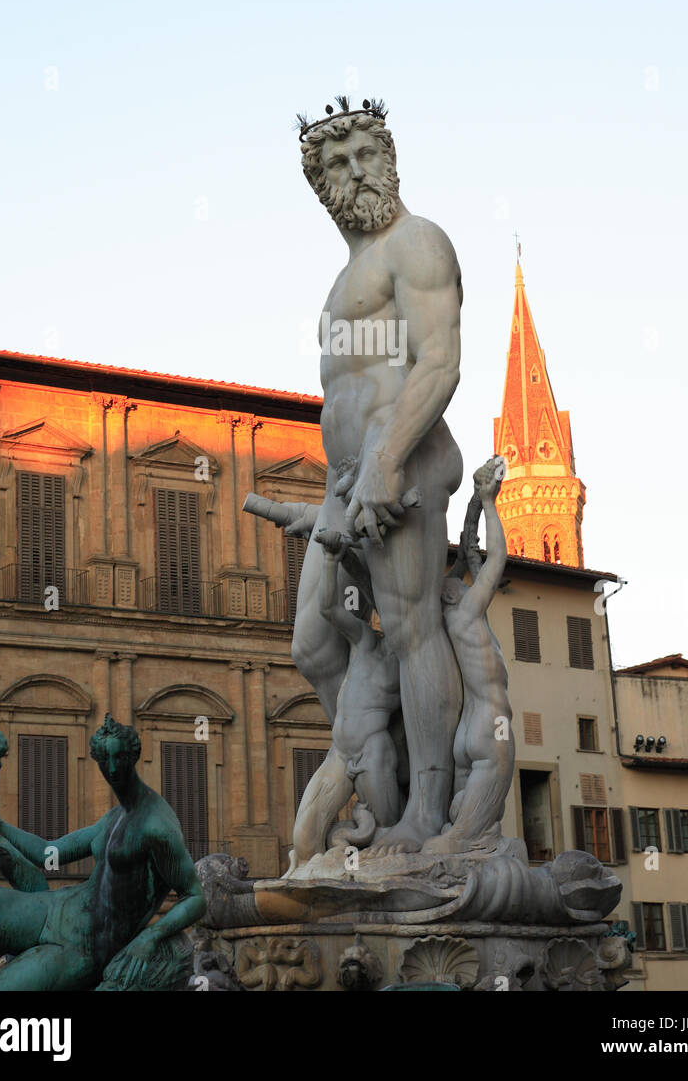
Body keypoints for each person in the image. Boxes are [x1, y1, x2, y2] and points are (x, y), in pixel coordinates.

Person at [291, 99, 464, 851]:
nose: (354, 171)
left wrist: (389, 459)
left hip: (401, 458)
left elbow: (440, 361)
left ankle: (425, 818)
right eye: (336, 162)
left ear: (390, 157)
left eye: (366, 153)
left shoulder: (417, 242)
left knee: (414, 627)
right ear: (319, 184)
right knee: (314, 644)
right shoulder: (344, 275)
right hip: (344, 477)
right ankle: (375, 770)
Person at [0, 714, 205, 990]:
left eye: (120, 758)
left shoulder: (157, 824)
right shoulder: (113, 818)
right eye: (105, 760)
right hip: (51, 908)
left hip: (81, 947)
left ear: (133, 757)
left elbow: (195, 897)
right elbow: (48, 853)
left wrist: (152, 936)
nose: (113, 768)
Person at [288, 528, 401, 869]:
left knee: (383, 841)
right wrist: (330, 560)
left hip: (373, 753)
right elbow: (328, 609)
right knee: (304, 840)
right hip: (339, 754)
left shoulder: (411, 670)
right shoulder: (365, 640)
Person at [423, 455, 515, 854]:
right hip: (493, 725)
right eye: (455, 583)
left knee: (452, 838)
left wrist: (466, 540)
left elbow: (467, 564)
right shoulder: (466, 614)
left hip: (466, 733)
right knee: (463, 842)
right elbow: (496, 560)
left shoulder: (455, 622)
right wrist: (489, 502)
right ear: (450, 596)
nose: (460, 582)